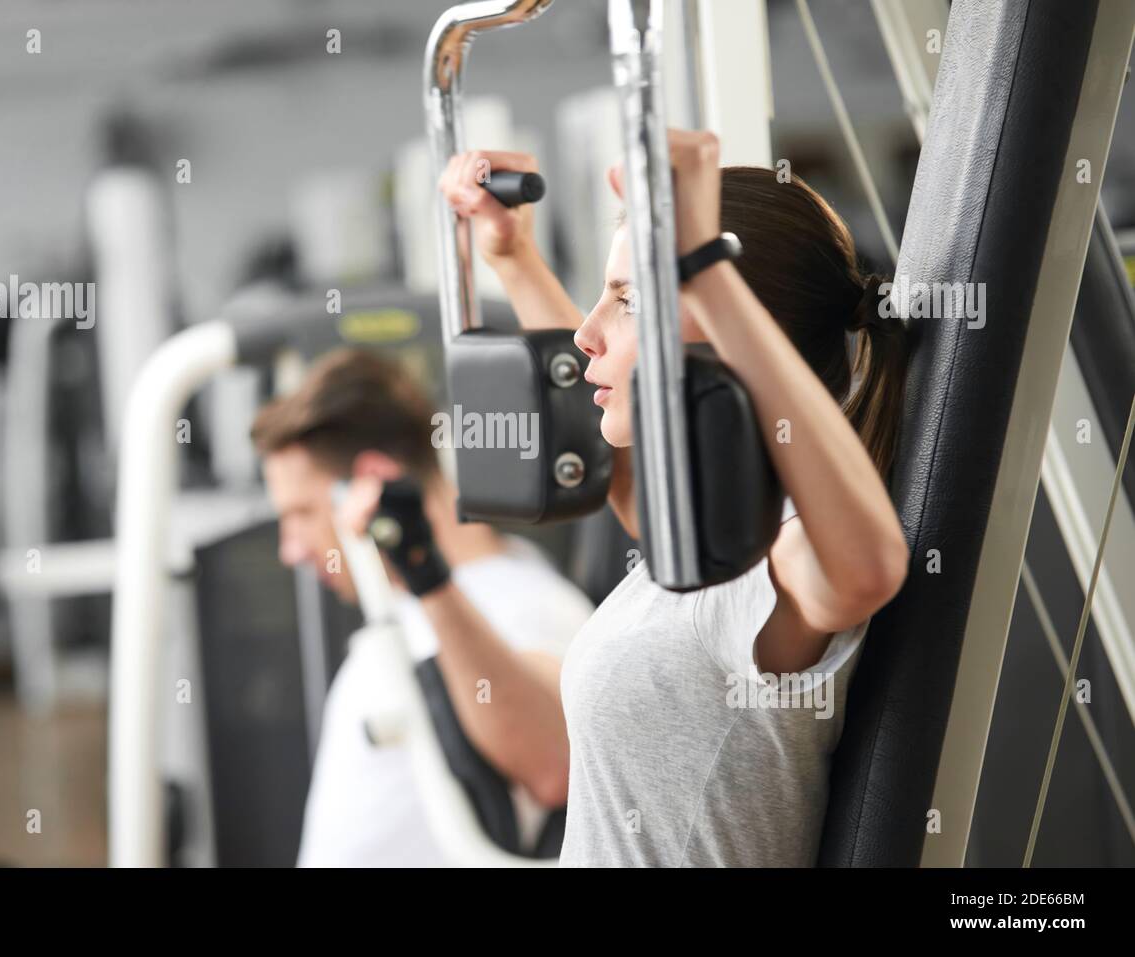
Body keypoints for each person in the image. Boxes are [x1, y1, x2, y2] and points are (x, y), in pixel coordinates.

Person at [437, 131, 910, 866]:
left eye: (628, 301)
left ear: (731, 322)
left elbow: (868, 569)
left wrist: (704, 271)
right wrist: (513, 256)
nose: (588, 334)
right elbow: (614, 467)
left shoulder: (774, 556)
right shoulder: (713, 532)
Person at [250, 348, 593, 867]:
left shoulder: (526, 603)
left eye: (302, 514)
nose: (290, 550)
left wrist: (430, 582)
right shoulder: (410, 611)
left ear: (372, 481)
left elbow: (558, 766)